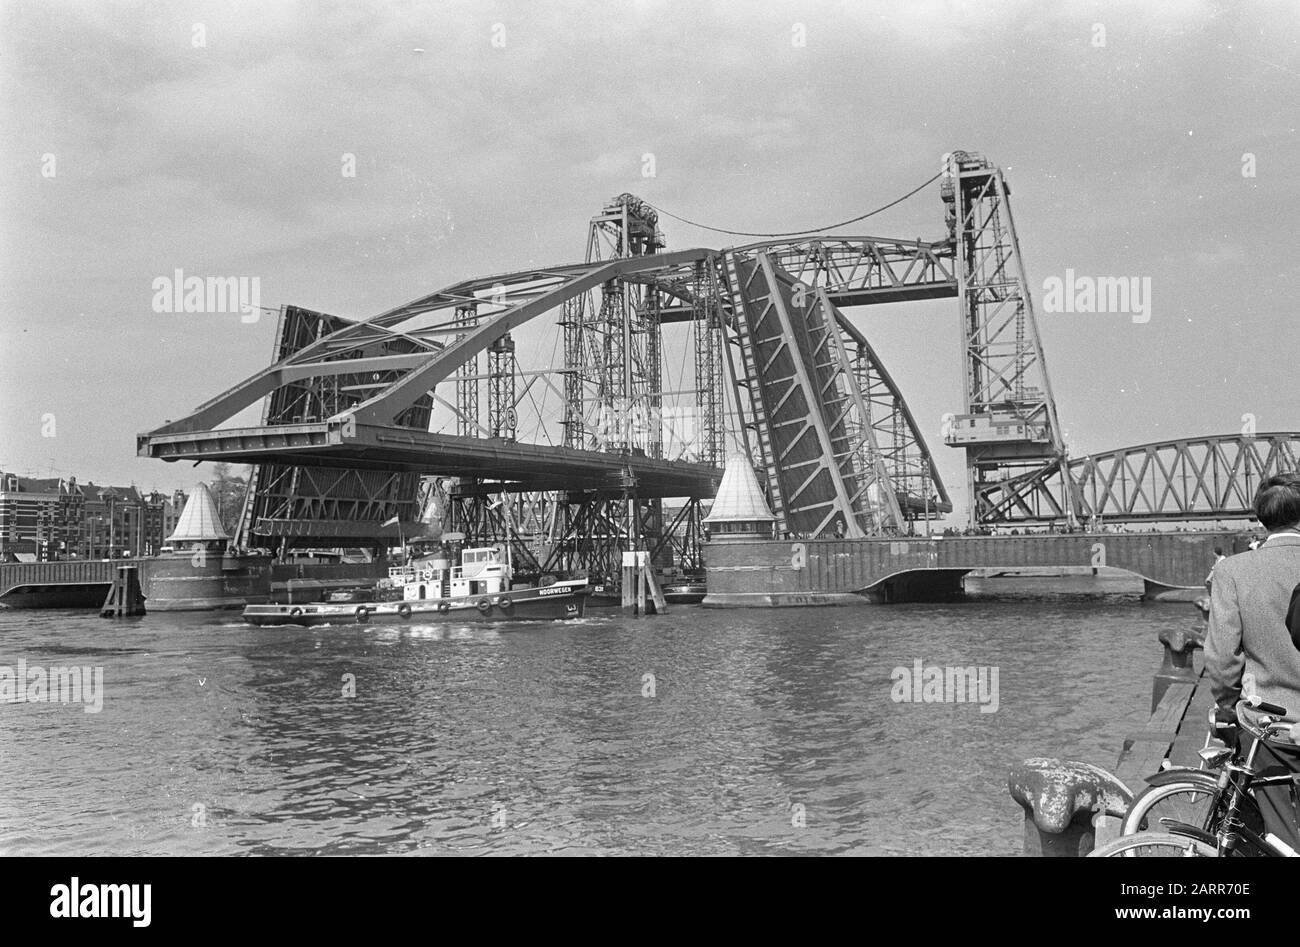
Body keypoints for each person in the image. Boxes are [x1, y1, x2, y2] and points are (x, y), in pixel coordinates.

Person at [1205, 473, 1300, 848]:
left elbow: (1222, 656)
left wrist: (1227, 708)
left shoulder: (1234, 571)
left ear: (1261, 518)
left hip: (1268, 725)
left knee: (1276, 836)